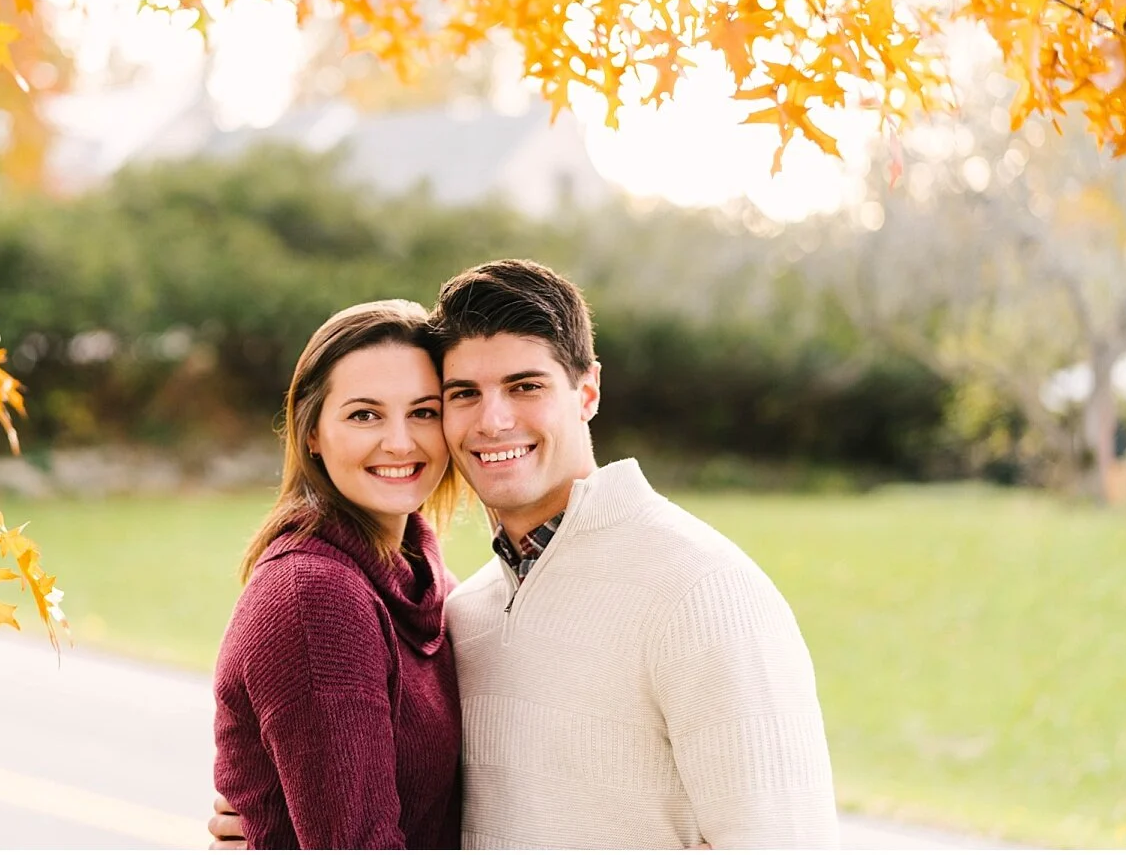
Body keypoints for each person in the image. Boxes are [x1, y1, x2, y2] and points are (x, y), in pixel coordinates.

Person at [212, 260, 838, 849]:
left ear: (587, 392)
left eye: (525, 386)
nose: (493, 421)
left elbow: (784, 842)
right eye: (463, 393)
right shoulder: (468, 609)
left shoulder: (702, 590)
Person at [211, 300, 465, 849]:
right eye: (364, 415)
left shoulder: (430, 584)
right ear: (312, 433)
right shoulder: (316, 597)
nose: (400, 442)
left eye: (423, 412)